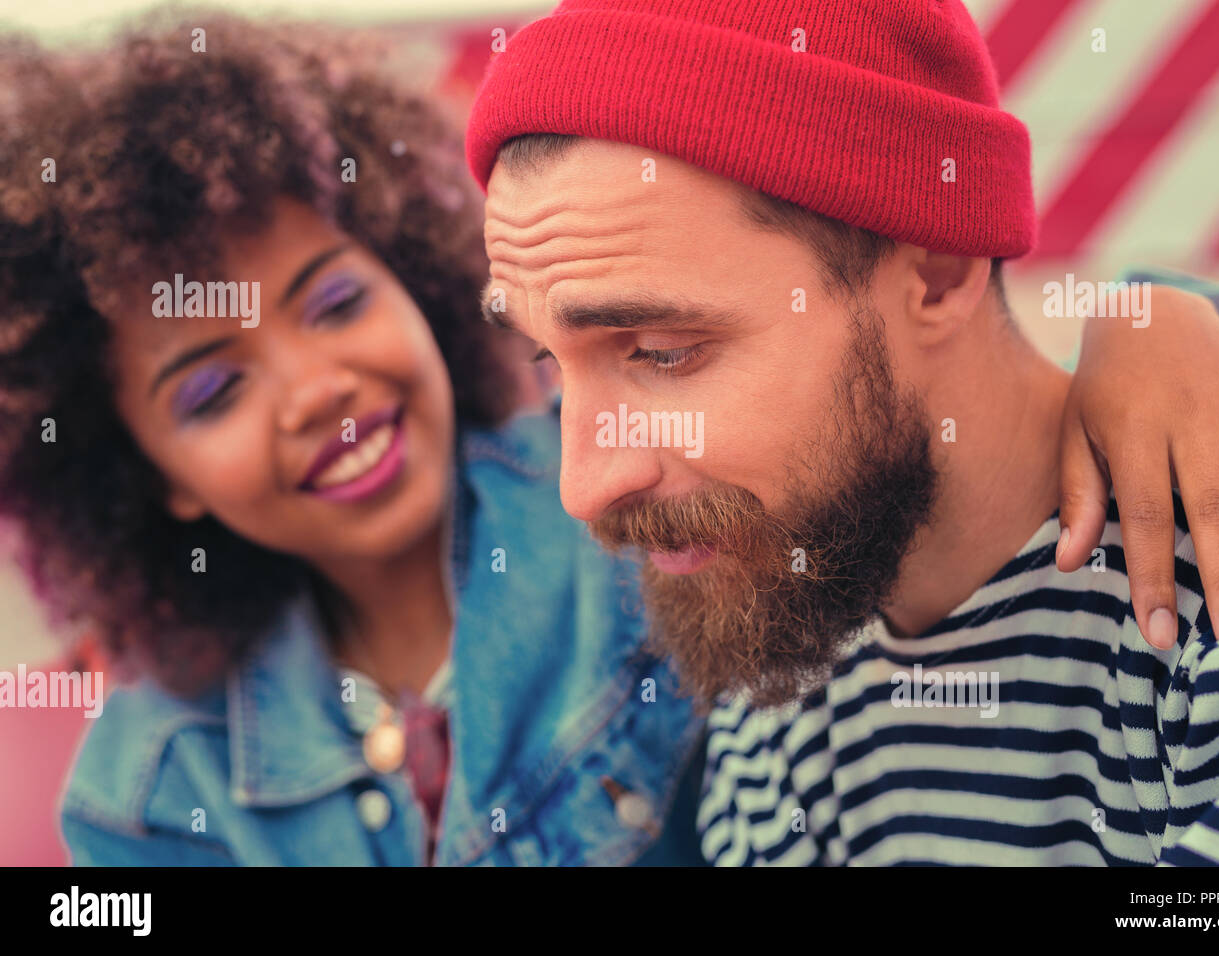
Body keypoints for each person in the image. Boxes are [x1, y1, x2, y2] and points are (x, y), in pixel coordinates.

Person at [463, 0, 1219, 863]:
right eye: (550, 364)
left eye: (664, 353)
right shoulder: (780, 688)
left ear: (937, 272)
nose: (583, 487)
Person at [0, 16, 703, 867]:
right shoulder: (154, 792)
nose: (315, 391)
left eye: (335, 305)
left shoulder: (645, 512)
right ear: (154, 476)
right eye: (215, 391)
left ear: (411, 279)